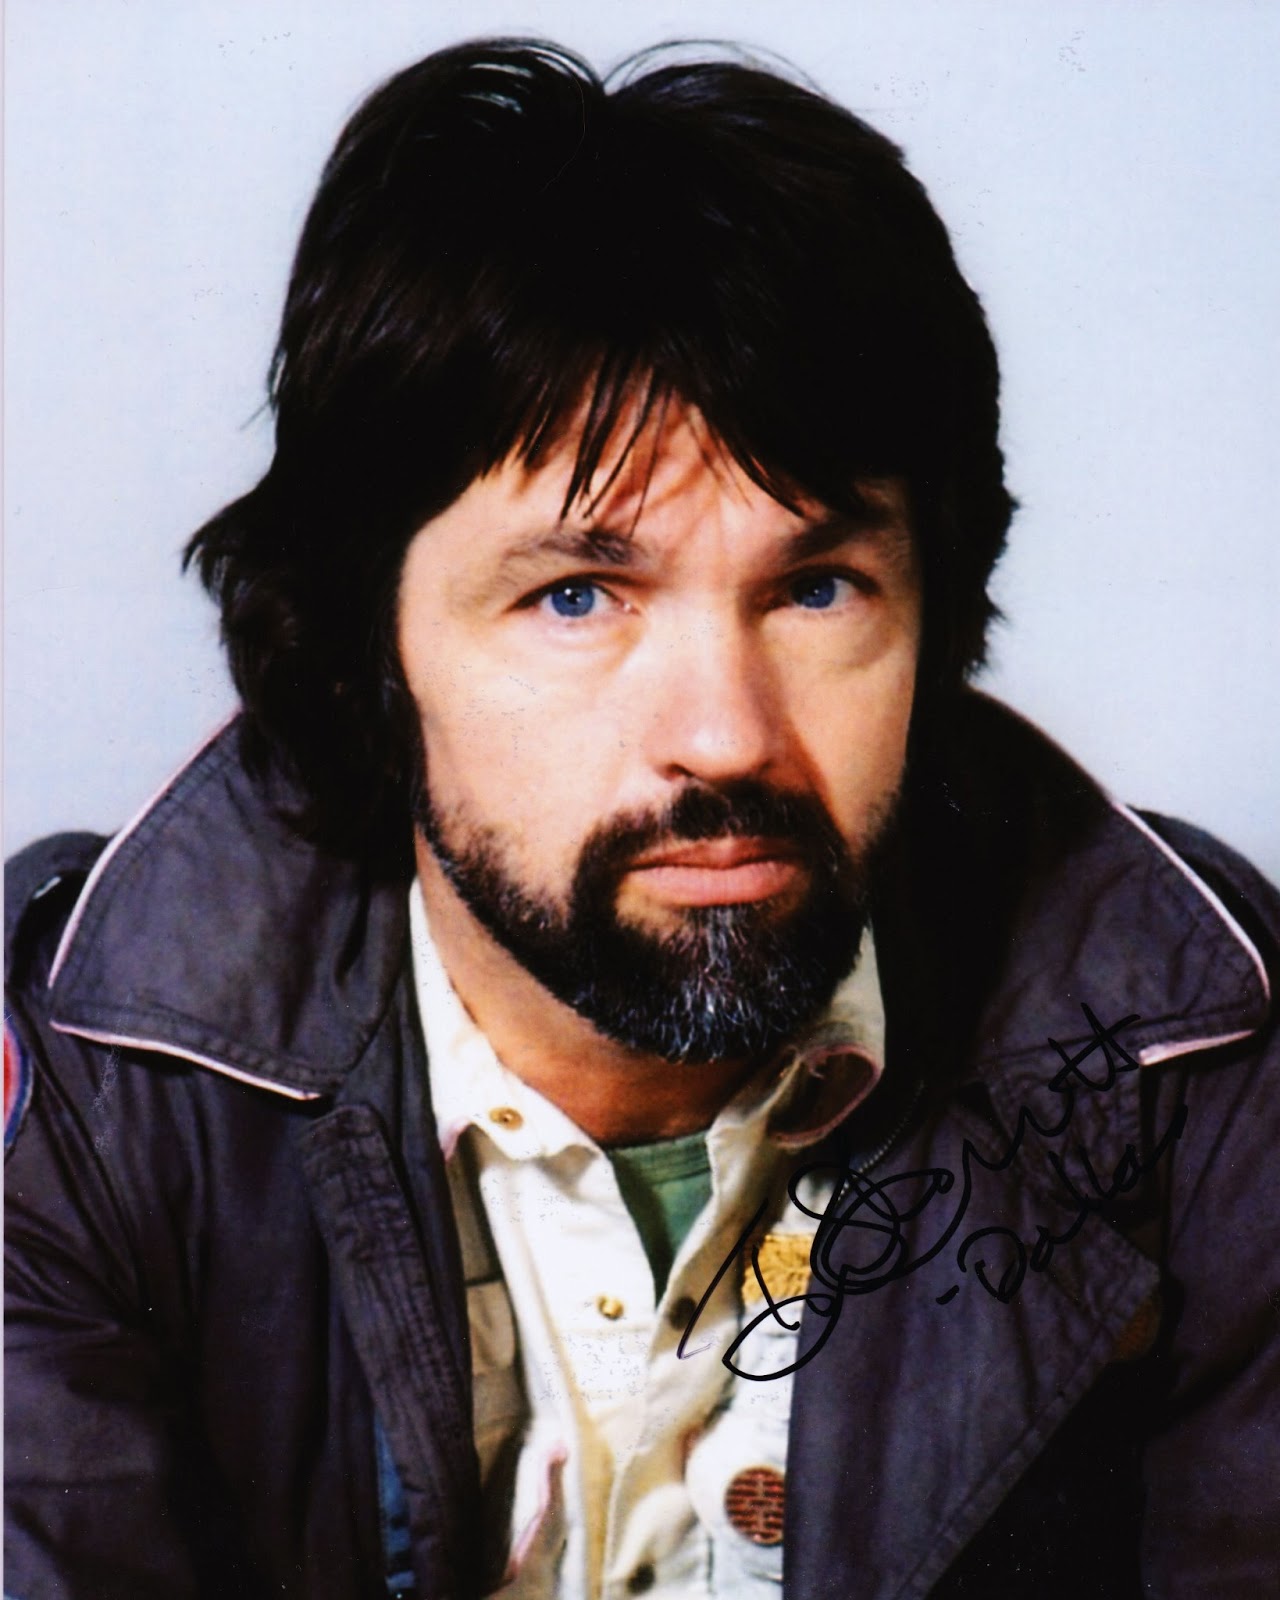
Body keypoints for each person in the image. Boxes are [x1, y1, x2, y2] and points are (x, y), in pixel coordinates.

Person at [4, 37, 1277, 1600]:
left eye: (816, 587)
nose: (725, 734)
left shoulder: (1201, 1061)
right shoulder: (92, 1099)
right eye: (577, 596)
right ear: (364, 647)